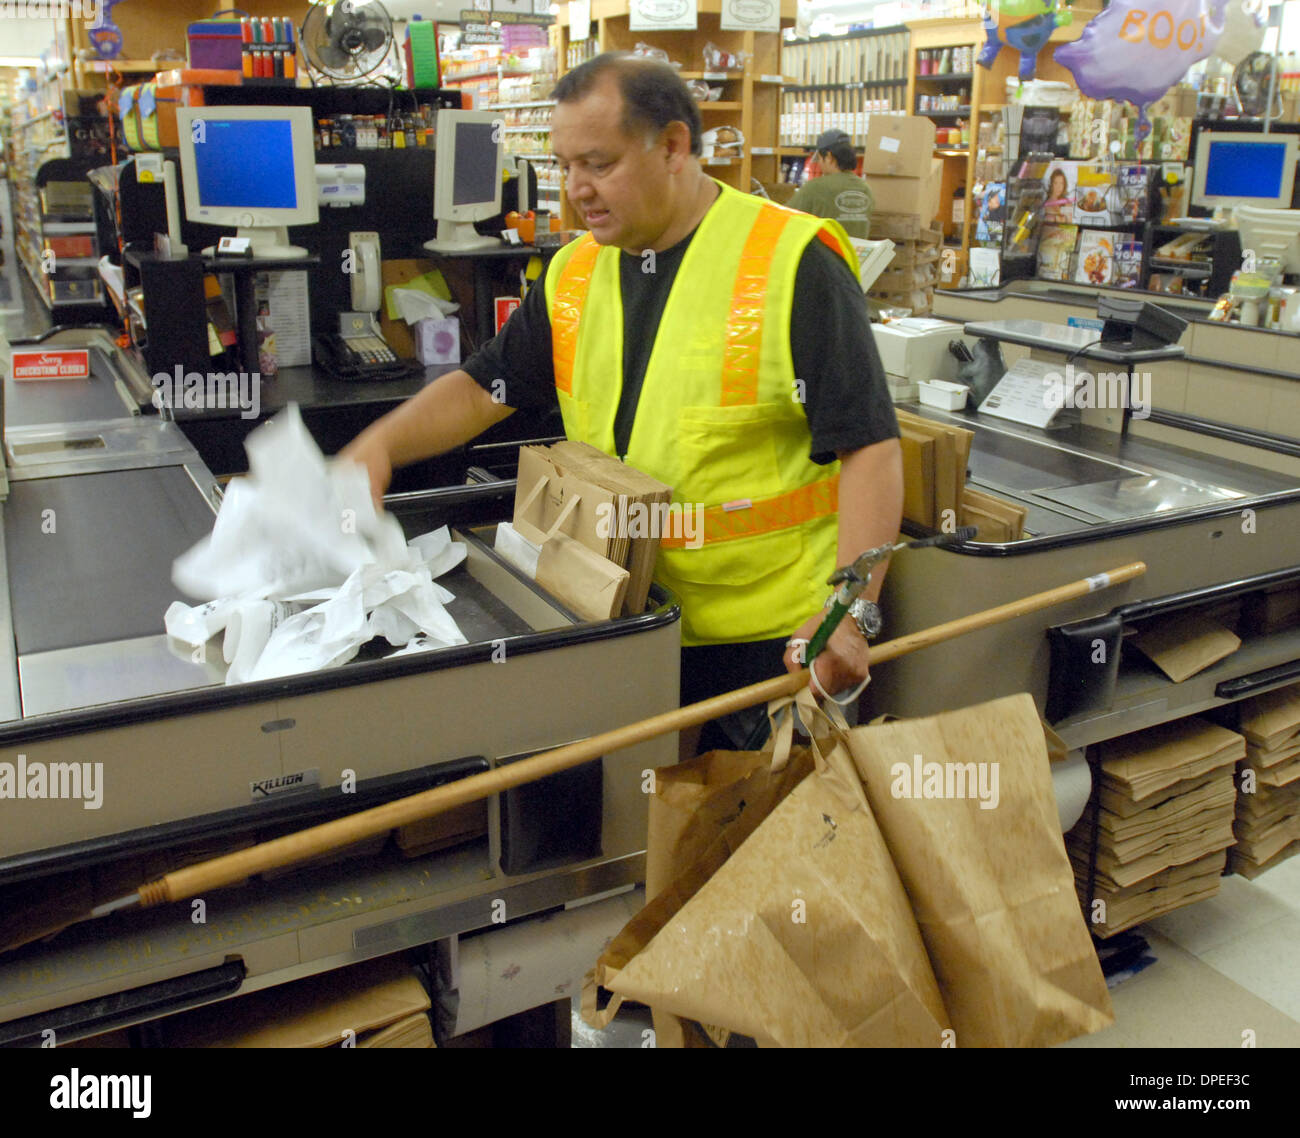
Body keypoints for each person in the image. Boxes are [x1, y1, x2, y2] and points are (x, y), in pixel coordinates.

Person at [341, 54, 902, 755]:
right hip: (624, 621)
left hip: (769, 645)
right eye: (565, 166)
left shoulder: (790, 262)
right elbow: (488, 386)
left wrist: (849, 613)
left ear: (672, 146)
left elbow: (870, 447)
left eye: (599, 164)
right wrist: (380, 447)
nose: (577, 191)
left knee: (776, 849)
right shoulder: (577, 270)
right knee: (648, 846)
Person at [787, 129, 874, 239]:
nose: (818, 163)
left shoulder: (815, 187)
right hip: (856, 254)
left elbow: (787, 218)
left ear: (828, 157)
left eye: (819, 158)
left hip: (824, 255)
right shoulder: (865, 188)